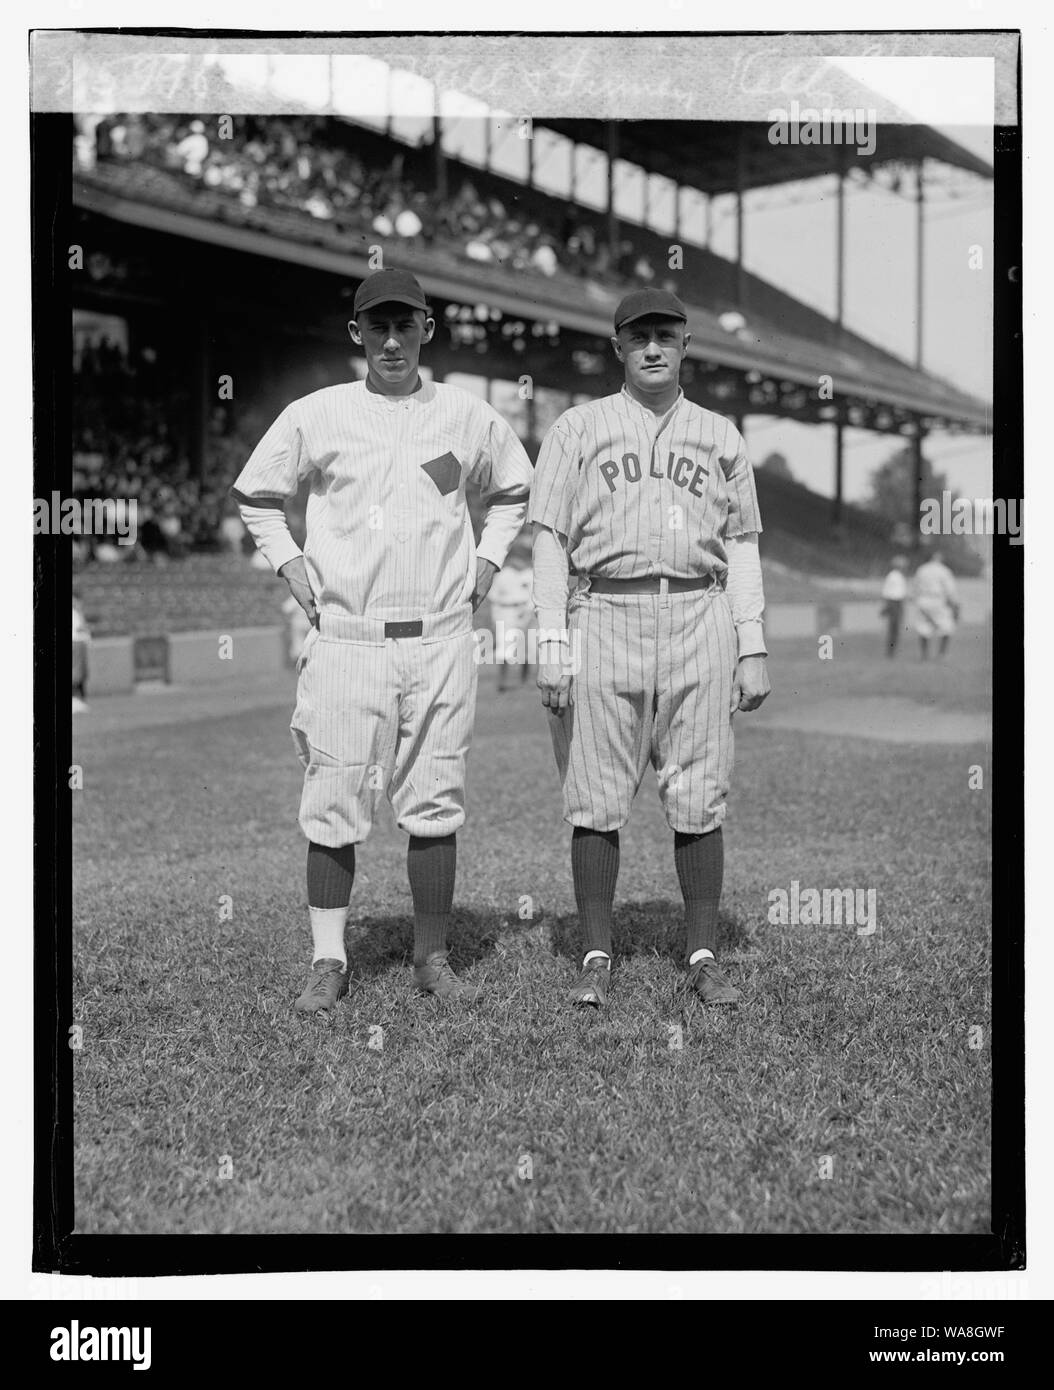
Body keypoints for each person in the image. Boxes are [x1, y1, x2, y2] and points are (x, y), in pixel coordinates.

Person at [232, 269, 533, 1014]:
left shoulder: (467, 416)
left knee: (435, 800)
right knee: (333, 795)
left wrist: (490, 557)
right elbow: (256, 496)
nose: (392, 339)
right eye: (378, 326)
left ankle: (432, 955)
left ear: (428, 328)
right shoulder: (319, 413)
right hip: (349, 635)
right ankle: (329, 958)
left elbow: (516, 490)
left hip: (439, 635)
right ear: (357, 333)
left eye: (406, 324)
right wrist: (292, 563)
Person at [530, 287, 770, 1009]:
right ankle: (596, 952)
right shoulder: (577, 428)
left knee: (700, 793)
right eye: (639, 338)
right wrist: (548, 639)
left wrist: (751, 641)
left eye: (666, 335)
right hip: (602, 609)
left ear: (687, 343)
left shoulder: (721, 435)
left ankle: (701, 953)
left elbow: (743, 543)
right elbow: (548, 537)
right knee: (595, 796)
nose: (654, 348)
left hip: (701, 611)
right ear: (619, 348)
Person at [488, 549, 535, 692]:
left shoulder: (530, 574)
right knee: (505, 647)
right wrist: (496, 618)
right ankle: (502, 681)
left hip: (525, 612)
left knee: (527, 647)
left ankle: (525, 680)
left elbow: (534, 595)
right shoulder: (503, 574)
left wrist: (527, 610)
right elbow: (493, 596)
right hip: (506, 611)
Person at [913, 548, 959, 659]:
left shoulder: (921, 569)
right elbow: (950, 590)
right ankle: (942, 653)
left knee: (923, 627)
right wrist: (954, 603)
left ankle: (924, 653)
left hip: (923, 600)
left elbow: (915, 587)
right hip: (938, 600)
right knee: (946, 626)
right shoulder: (944, 570)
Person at [880, 554, 909, 657]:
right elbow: (888, 592)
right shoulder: (894, 576)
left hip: (896, 603)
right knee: (894, 629)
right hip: (894, 603)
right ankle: (890, 652)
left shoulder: (898, 576)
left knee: (895, 629)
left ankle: (892, 651)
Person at [72, 592, 91, 713]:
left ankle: (81, 699)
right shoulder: (73, 614)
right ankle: (75, 700)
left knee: (82, 673)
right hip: (76, 643)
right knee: (76, 672)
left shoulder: (78, 613)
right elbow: (80, 628)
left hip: (81, 644)